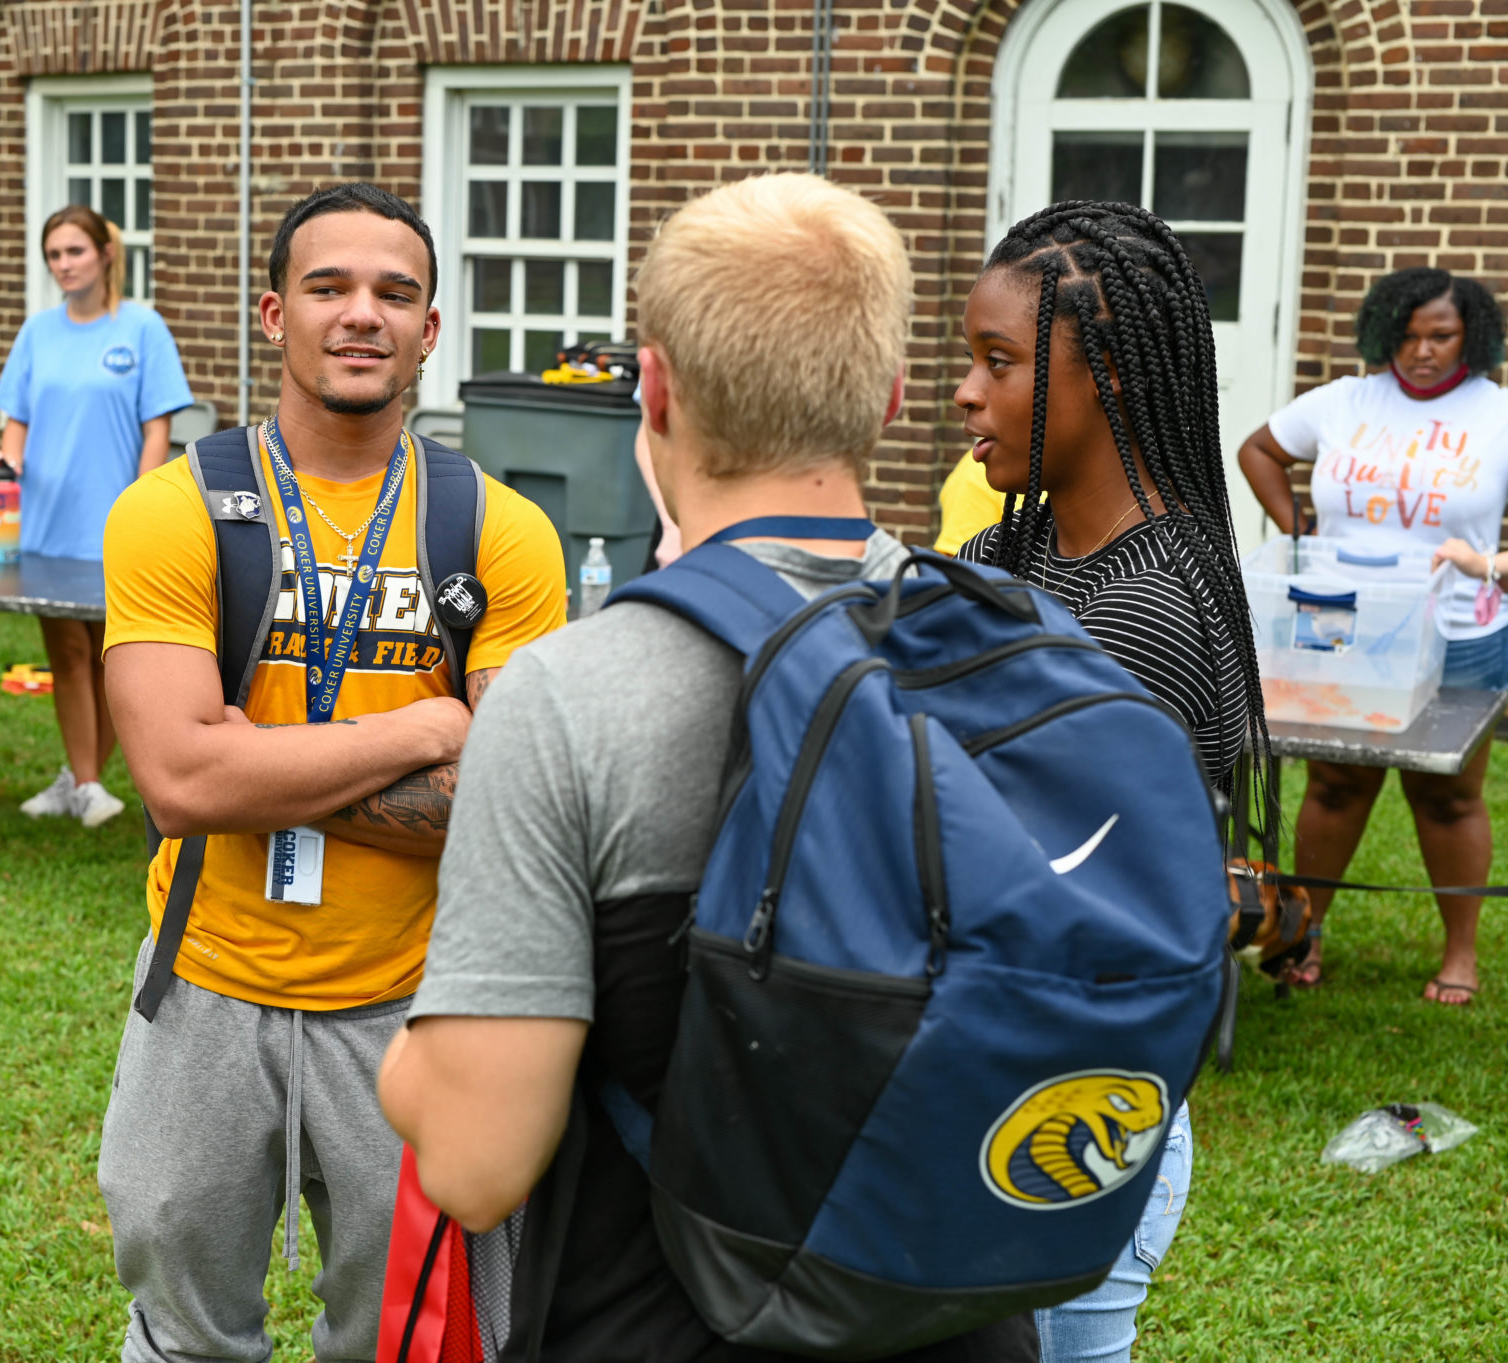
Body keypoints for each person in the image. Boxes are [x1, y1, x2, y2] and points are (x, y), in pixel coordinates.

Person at [380, 173, 1037, 1362]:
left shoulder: (574, 693)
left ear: (655, 388)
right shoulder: (1019, 654)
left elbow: (476, 1165)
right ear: (888, 399)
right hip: (961, 1318)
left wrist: (406, 1061)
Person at [94, 182, 565, 1362]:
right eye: (328, 287)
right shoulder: (171, 513)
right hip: (204, 985)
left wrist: (253, 760)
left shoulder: (500, 530)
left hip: (416, 1006)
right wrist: (424, 729)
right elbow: (178, 783)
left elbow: (511, 815)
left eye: (394, 293)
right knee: (184, 1331)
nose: (362, 314)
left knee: (406, 1338)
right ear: (270, 313)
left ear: (430, 329)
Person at [954, 202, 1271, 1362]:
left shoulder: (1148, 604)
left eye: (999, 362)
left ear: (1113, 379)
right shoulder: (1013, 549)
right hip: (995, 1073)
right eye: (967, 358)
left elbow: (1017, 873)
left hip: (1075, 1108)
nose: (965, 393)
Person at [1238, 267, 1508, 1004]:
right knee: (1335, 779)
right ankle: (1307, 934)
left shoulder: (1497, 415)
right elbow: (1259, 450)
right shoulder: (1345, 401)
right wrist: (1299, 534)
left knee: (1447, 793)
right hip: (1341, 623)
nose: (1422, 351)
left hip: (1458, 632)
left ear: (1472, 337)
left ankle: (1460, 954)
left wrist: (1487, 564)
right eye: (1408, 335)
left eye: (1442, 336)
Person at [0, 204, 194, 828]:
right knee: (67, 658)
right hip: (48, 525)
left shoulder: (142, 329)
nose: (63, 265)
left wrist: (141, 511)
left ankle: (80, 781)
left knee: (112, 659)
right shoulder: (36, 333)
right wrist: (5, 469)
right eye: (53, 255)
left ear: (106, 254)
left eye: (74, 251)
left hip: (116, 526)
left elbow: (155, 429)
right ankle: (85, 783)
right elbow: (15, 426)